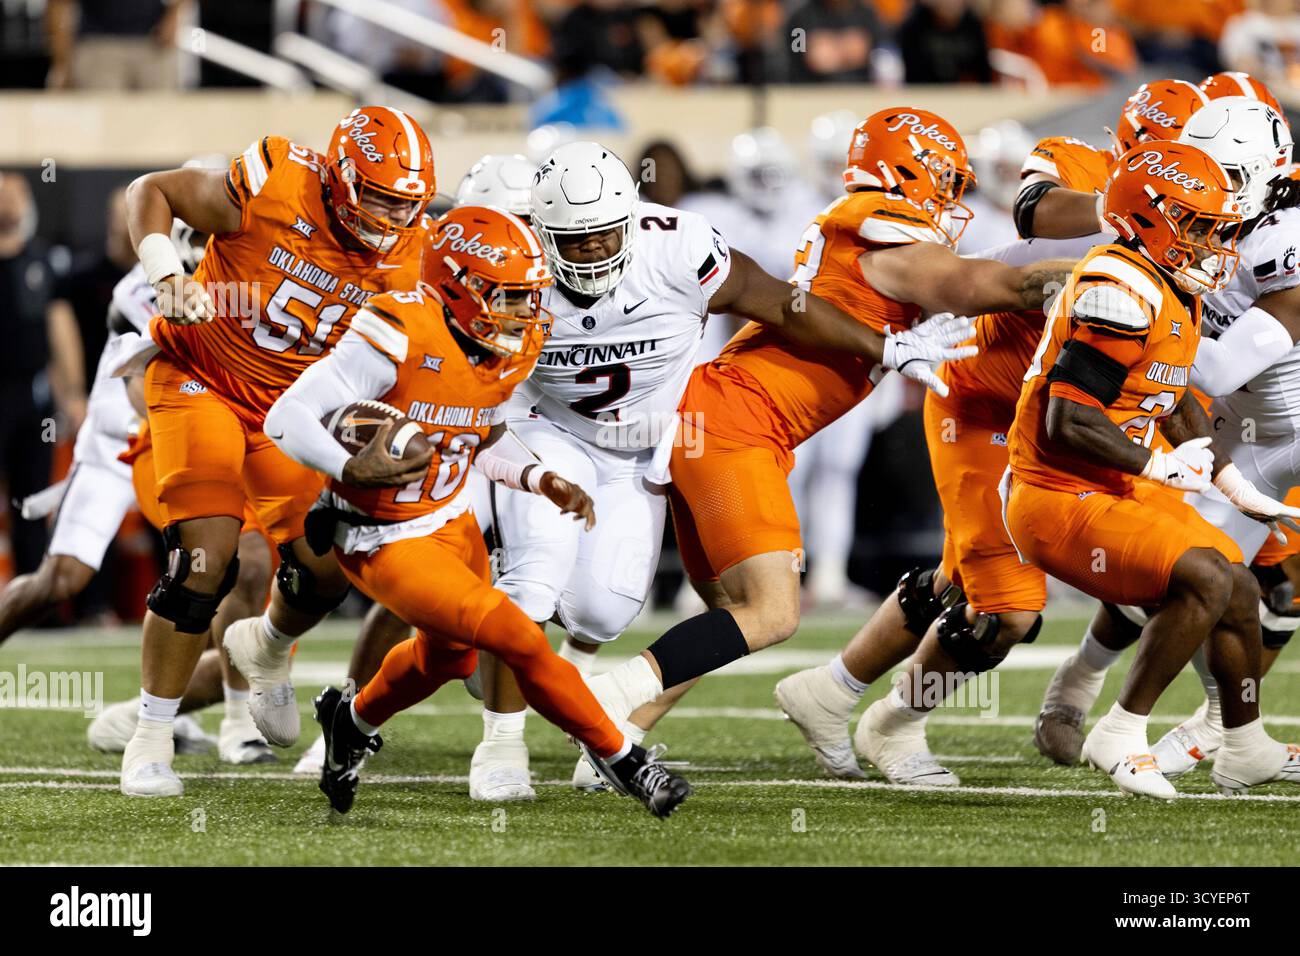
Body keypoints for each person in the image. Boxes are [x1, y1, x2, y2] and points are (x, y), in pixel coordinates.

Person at [580, 108, 1073, 758]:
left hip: (717, 417)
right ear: (912, 169)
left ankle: (619, 735)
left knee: (729, 610)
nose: (952, 198)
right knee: (773, 613)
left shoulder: (853, 223)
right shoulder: (881, 232)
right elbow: (987, 285)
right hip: (740, 424)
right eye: (945, 180)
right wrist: (1101, 279)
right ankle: (599, 705)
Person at [264, 205, 693, 818]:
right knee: (517, 632)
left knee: (450, 658)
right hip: (380, 535)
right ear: (458, 287)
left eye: (529, 297)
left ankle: (351, 719)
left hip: (446, 518)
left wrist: (537, 476)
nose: (526, 313)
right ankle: (627, 760)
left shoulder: (509, 348)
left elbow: (479, 435)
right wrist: (348, 466)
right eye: (510, 297)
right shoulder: (398, 330)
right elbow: (286, 416)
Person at [116, 106, 435, 797]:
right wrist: (168, 272)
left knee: (326, 568)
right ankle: (148, 738)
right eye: (376, 196)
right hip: (201, 377)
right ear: (342, 176)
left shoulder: (417, 250)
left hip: (288, 412)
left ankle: (263, 646)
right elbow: (152, 190)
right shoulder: (277, 177)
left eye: (403, 204)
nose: (387, 217)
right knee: (205, 559)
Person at [1006, 140, 1300, 797]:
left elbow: (1168, 402)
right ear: (1150, 217)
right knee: (1203, 579)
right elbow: (1070, 419)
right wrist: (1157, 468)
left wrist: (1230, 482)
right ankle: (1121, 729)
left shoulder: (1170, 284)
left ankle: (1244, 744)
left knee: (1242, 587)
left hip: (1109, 482)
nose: (1213, 242)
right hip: (1056, 491)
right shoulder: (1118, 286)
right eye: (1199, 225)